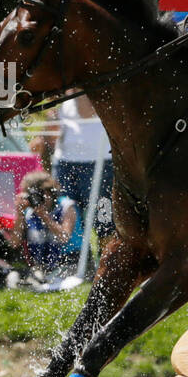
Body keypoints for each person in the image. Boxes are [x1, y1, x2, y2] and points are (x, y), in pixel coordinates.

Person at [52, 92, 115, 259]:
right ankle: (75, 260)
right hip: (65, 163)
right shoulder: (67, 94)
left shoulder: (91, 91)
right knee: (69, 212)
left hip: (99, 162)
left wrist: (76, 87)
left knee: (103, 216)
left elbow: (85, 111)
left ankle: (107, 261)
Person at [7, 171, 78, 277]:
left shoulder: (66, 206)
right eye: (33, 195)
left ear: (50, 192)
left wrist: (45, 217)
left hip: (70, 261)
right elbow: (14, 243)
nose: (38, 198)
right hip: (41, 266)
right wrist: (19, 213)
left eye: (41, 193)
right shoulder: (28, 211)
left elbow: (64, 237)